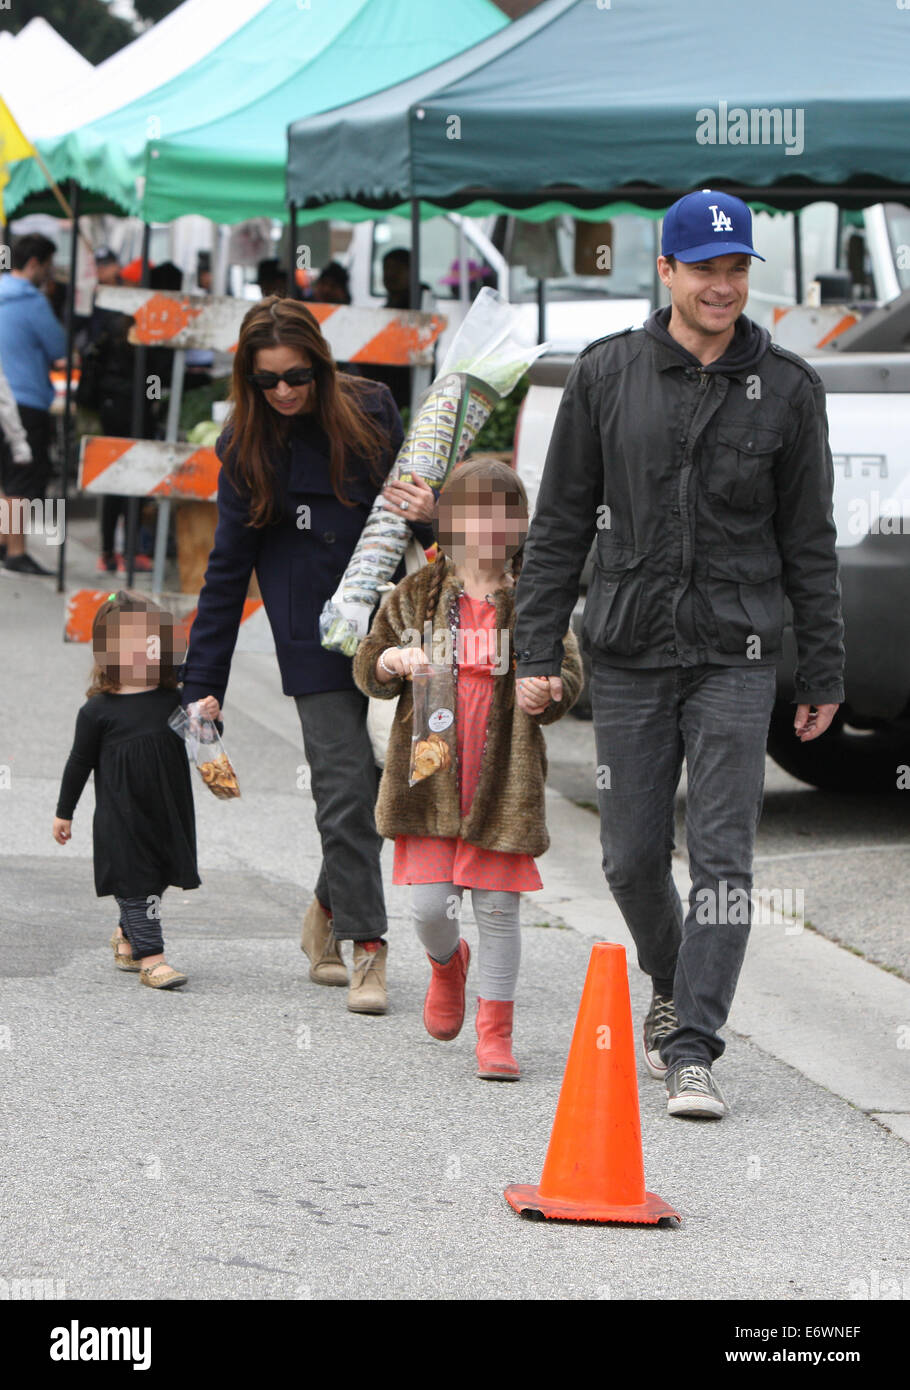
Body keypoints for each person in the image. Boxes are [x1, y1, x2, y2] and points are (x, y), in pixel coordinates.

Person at [513, 189, 845, 1120]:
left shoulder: (788, 388)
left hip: (737, 654)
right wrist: (535, 646)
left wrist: (822, 668)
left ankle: (693, 1045)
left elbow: (809, 542)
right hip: (628, 650)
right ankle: (673, 981)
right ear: (665, 270)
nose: (722, 286)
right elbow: (560, 523)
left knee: (724, 861)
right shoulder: (606, 374)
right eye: (705, 269)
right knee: (627, 859)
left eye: (737, 269)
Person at [178, 296, 437, 1014]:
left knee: (394, 790)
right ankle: (368, 947)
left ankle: (326, 909)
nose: (284, 391)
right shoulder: (245, 446)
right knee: (343, 790)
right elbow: (227, 572)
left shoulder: (372, 408)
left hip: (389, 630)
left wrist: (434, 516)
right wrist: (202, 688)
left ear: (320, 365)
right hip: (311, 638)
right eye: (267, 380)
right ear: (248, 378)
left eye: (296, 376)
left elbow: (414, 509)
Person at [353, 457, 583, 1079]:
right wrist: (392, 661)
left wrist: (548, 690)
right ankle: (447, 964)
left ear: (521, 524)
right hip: (430, 782)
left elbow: (568, 674)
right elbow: (368, 663)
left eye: (503, 514)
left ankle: (495, 1035)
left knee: (500, 911)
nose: (488, 527)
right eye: (473, 514)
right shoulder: (417, 593)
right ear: (448, 522)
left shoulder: (536, 597)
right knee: (431, 908)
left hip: (502, 781)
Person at [52, 590, 205, 990]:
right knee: (136, 882)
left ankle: (126, 932)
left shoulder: (174, 699)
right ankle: (152, 959)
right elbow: (78, 763)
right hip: (121, 818)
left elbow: (202, 738)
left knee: (156, 879)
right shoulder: (97, 711)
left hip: (167, 811)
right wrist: (64, 812)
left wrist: (208, 716)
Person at [0, 232, 67, 576]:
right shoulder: (33, 301)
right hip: (24, 399)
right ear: (33, 264)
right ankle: (16, 552)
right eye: (48, 265)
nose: (49, 272)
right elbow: (59, 348)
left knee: (4, 476)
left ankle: (3, 542)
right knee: (21, 479)